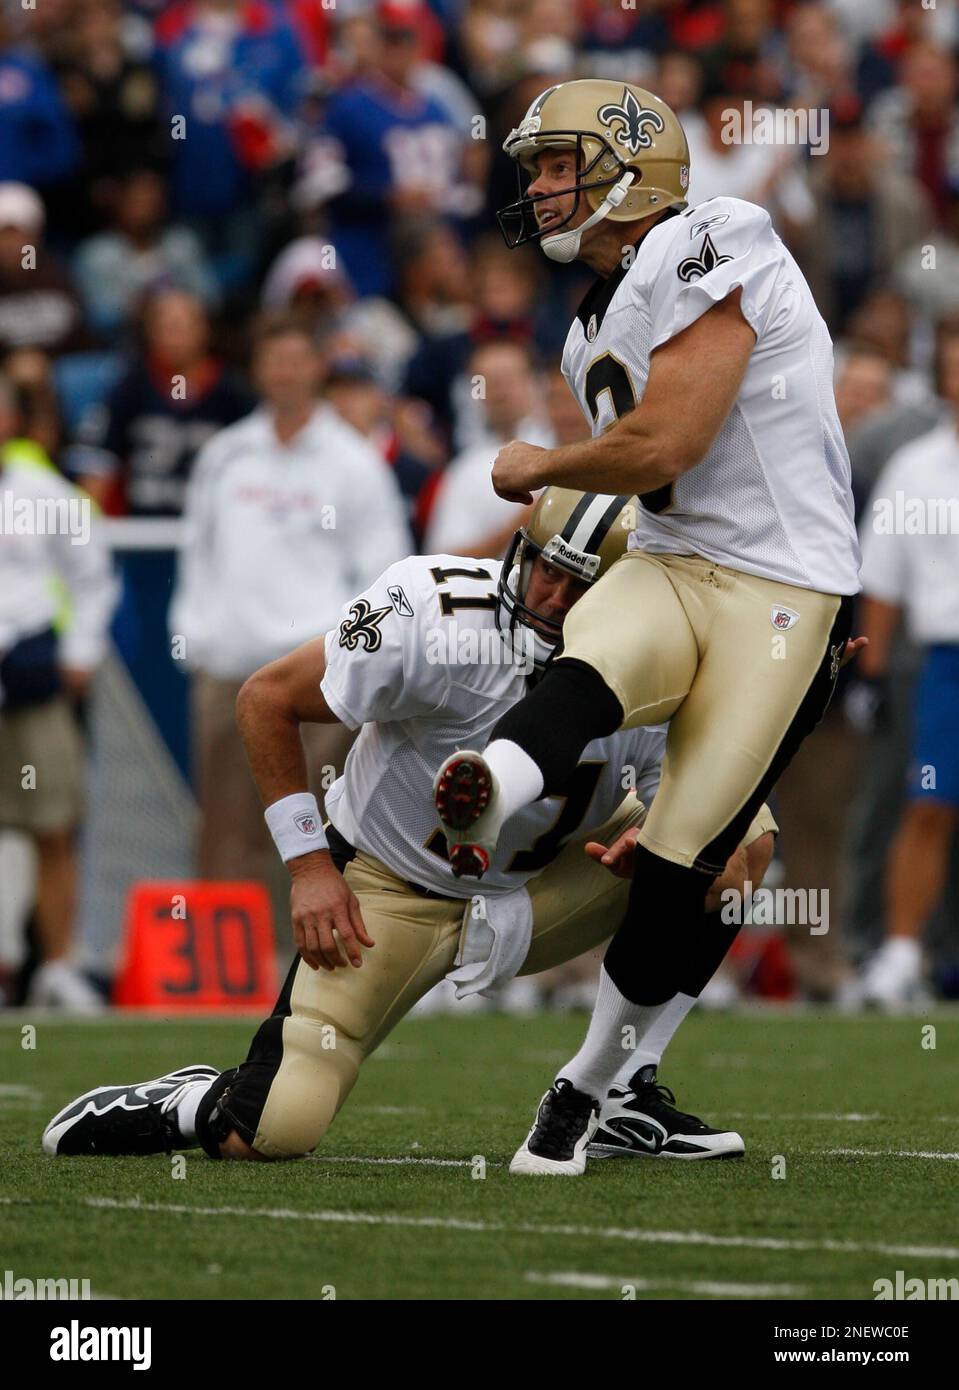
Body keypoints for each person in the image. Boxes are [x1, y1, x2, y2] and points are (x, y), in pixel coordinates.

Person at [42, 488, 775, 1166]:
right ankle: (196, 1098)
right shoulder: (432, 612)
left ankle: (618, 1090)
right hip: (384, 890)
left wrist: (660, 849)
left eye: (584, 585)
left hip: (541, 889)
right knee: (271, 1132)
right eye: (548, 567)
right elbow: (266, 698)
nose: (553, 597)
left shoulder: (662, 665)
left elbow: (721, 831)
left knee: (738, 840)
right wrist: (308, 868)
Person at [432, 79, 860, 1171]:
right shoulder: (588, 321)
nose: (534, 186)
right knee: (587, 663)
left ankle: (587, 1087)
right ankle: (489, 788)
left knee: (687, 858)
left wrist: (539, 464)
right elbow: (661, 482)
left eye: (552, 163)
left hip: (781, 588)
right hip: (673, 565)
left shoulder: (716, 233)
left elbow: (664, 444)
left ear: (629, 167)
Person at [169, 312, 410, 904]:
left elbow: (384, 573)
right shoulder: (224, 455)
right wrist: (194, 635)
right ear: (257, 370)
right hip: (227, 668)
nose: (284, 372)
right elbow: (197, 551)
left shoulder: (354, 462)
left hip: (313, 676)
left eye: (296, 359)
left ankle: (295, 967)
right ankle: (224, 975)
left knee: (313, 827)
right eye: (272, 360)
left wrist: (349, 661)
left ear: (318, 368)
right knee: (223, 824)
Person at [849, 326, 959, 1007]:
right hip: (942, 662)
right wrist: (871, 677)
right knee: (926, 808)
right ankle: (898, 952)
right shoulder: (916, 467)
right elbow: (880, 581)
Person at [0, 372, 117, 1010]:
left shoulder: (45, 492)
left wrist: (78, 652)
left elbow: (93, 577)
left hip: (29, 676)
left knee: (52, 825)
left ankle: (57, 966)